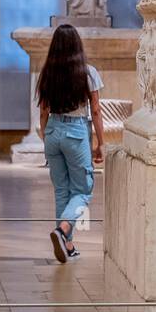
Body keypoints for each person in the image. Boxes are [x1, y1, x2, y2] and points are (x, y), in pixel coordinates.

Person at [35, 24, 106, 263]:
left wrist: (46, 135)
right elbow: (95, 110)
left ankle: (68, 245)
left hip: (54, 129)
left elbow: (43, 110)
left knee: (62, 191)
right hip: (76, 132)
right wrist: (100, 143)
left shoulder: (48, 72)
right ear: (78, 45)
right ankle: (64, 229)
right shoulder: (87, 72)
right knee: (83, 190)